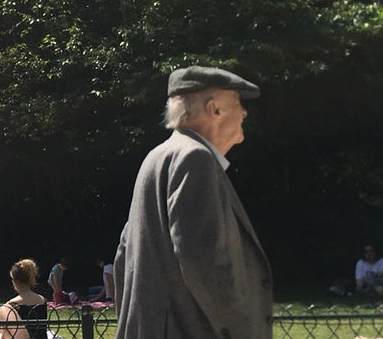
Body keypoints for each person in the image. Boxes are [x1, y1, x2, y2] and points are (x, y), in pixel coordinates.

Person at [114, 66, 272, 338]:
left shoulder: (156, 158)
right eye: (236, 102)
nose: (244, 112)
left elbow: (123, 257)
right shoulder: (195, 158)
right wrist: (242, 330)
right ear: (215, 109)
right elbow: (204, 260)